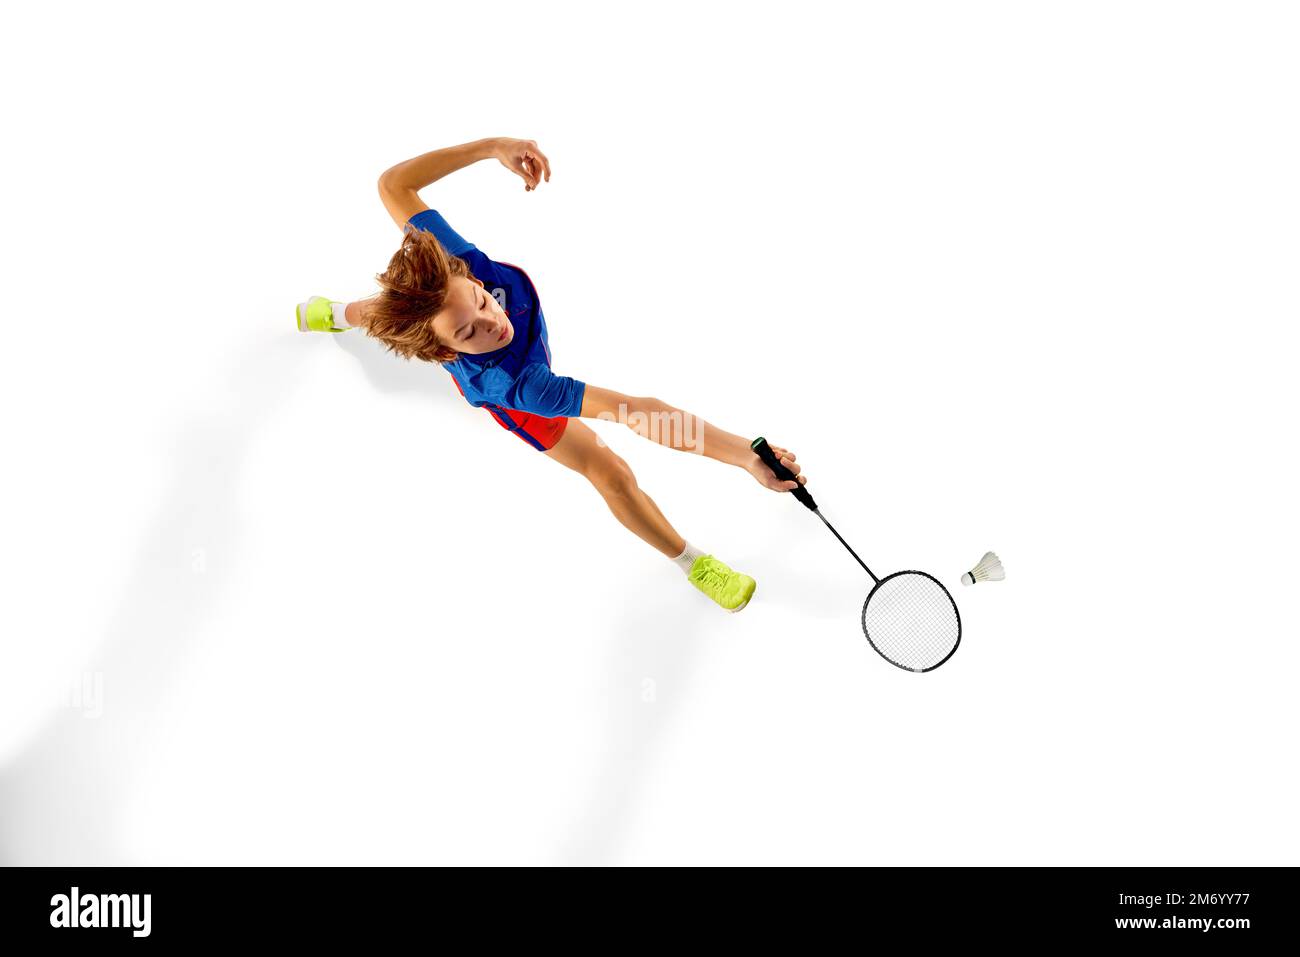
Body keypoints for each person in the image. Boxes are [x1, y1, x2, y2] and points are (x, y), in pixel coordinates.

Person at [296, 137, 807, 612]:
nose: (492, 323)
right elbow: (634, 412)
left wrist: (493, 147)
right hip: (516, 397)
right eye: (468, 332)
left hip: (452, 319)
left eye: (479, 302)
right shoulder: (518, 385)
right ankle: (693, 563)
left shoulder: (458, 268)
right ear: (445, 353)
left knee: (394, 310)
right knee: (612, 474)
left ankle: (334, 312)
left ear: (469, 276)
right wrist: (740, 455)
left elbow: (392, 184)